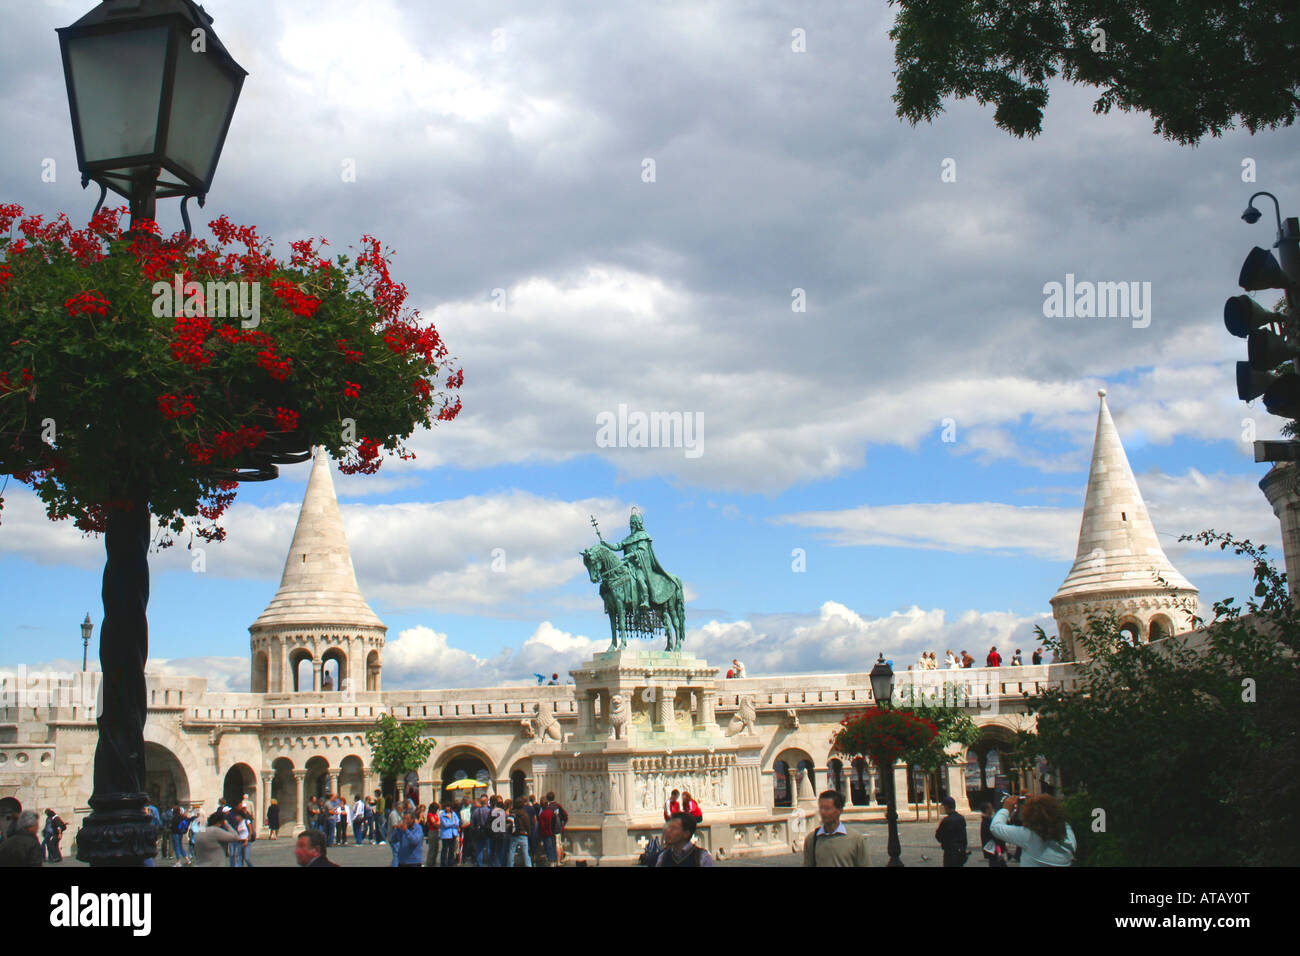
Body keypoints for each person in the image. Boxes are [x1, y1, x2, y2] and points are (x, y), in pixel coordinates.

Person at [989, 794, 1076, 866]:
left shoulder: (1028, 836)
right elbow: (1057, 820)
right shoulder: (1067, 835)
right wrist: (1037, 803)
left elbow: (995, 827)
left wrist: (1006, 809)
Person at [802, 790, 869, 866]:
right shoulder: (812, 839)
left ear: (839, 811)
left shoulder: (855, 839)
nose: (822, 812)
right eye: (821, 808)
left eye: (827, 808)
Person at [934, 795, 968, 867]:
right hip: (960, 851)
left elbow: (938, 836)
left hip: (950, 852)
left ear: (946, 806)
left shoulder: (946, 821)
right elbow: (964, 837)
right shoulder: (961, 818)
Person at [980, 803, 1007, 867]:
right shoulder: (988, 821)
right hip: (994, 849)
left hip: (994, 849)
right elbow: (994, 835)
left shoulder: (987, 820)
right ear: (987, 809)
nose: (992, 809)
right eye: (991, 807)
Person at [507, 799, 532, 867]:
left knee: (511, 852)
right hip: (523, 834)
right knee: (525, 853)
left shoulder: (513, 813)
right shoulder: (524, 814)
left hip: (514, 834)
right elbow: (527, 825)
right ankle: (528, 865)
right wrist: (529, 833)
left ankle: (510, 865)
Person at [490, 797, 509, 867]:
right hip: (503, 833)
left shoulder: (493, 812)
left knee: (497, 851)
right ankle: (503, 864)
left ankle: (497, 864)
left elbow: (489, 822)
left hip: (495, 833)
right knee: (503, 851)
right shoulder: (504, 813)